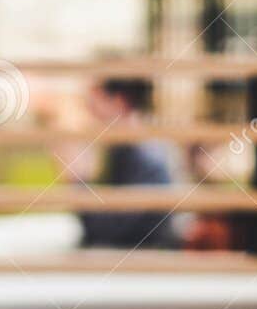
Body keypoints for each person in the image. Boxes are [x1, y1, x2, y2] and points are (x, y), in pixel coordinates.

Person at [75, 77, 179, 250]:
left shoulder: (146, 157)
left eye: (94, 105)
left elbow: (107, 233)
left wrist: (79, 180)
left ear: (119, 102)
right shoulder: (125, 150)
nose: (89, 115)